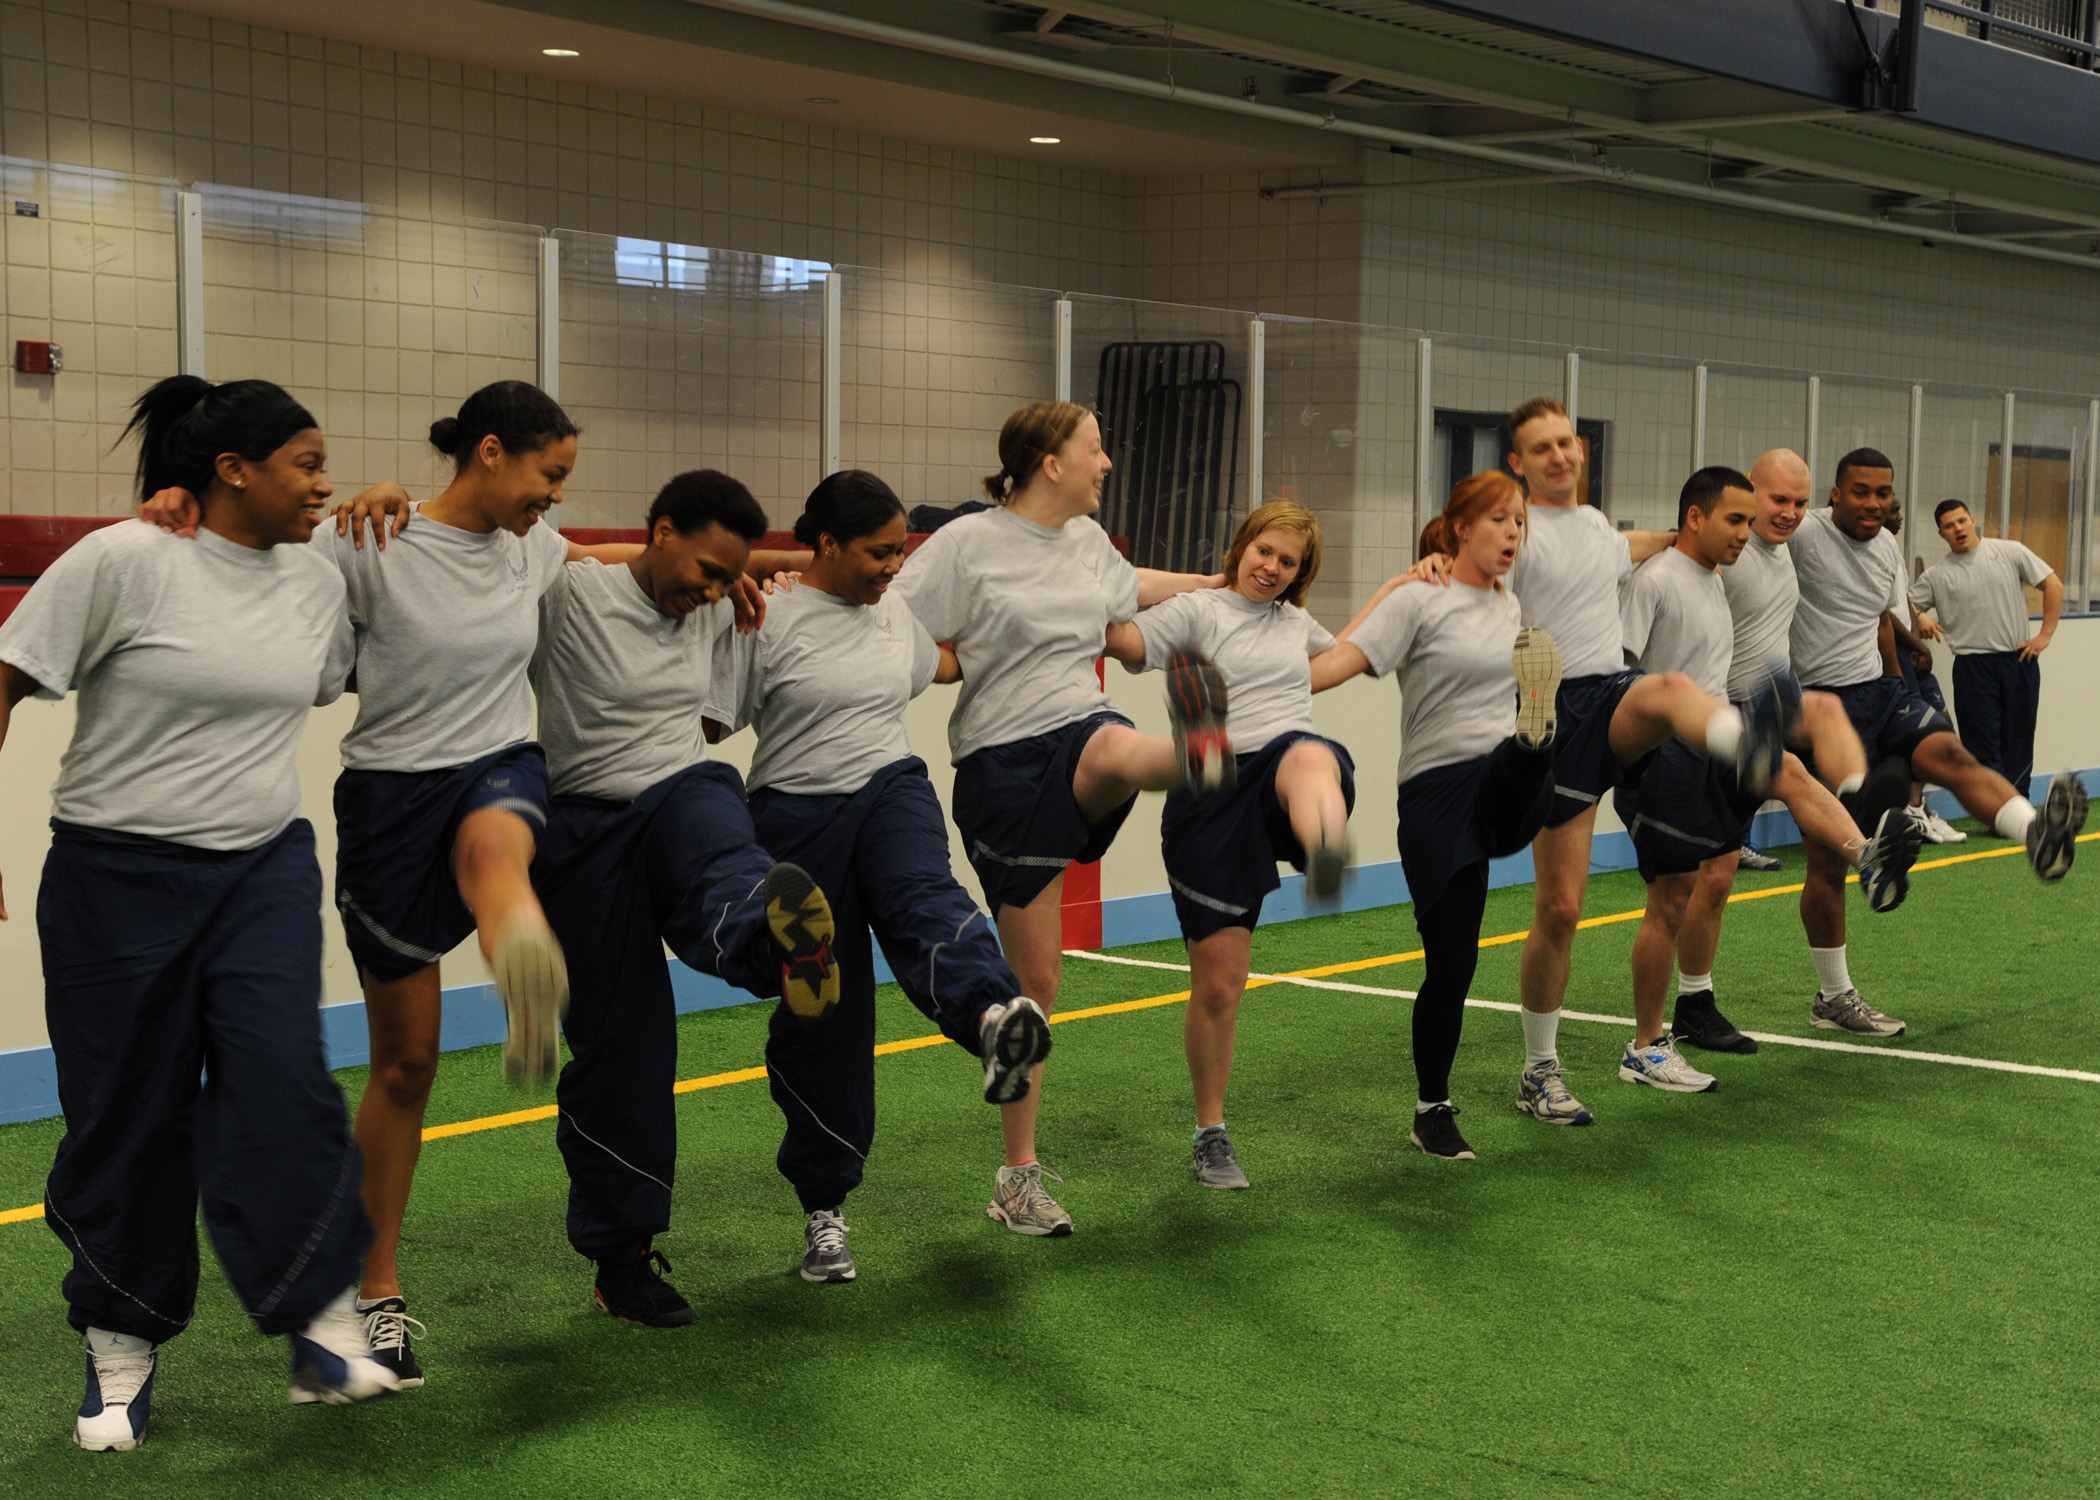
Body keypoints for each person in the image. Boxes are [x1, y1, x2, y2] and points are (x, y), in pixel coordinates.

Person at [0, 377, 399, 1449]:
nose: (324, 485)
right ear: (232, 471)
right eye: (305, 465)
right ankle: (120, 1350)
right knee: (127, 1115)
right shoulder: (124, 559)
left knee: (283, 1075)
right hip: (113, 876)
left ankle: (319, 1323)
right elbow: (7, 678)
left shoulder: (316, 582)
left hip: (260, 866)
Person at [888, 399, 1226, 1236]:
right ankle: (1017, 1177)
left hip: (1078, 732)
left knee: (1112, 748)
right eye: (1096, 450)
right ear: (1050, 463)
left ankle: (1191, 751)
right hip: (1002, 765)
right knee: (1034, 988)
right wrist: (956, 659)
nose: (1106, 464)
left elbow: (1134, 587)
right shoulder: (964, 547)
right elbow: (891, 628)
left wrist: (1217, 589)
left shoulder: (1087, 546)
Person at [1405, 399, 1789, 1127]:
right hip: (1545, 711)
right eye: (1538, 449)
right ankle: (1539, 1070)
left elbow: (1646, 542)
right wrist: (1433, 561)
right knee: (1561, 907)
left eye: (1564, 444)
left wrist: (1714, 529)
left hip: (1604, 698)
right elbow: (1465, 564)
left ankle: (1766, 761)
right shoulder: (1517, 532)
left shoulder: (1601, 533)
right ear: (1516, 463)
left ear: (1579, 450)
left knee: (1669, 695)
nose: (1556, 456)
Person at [707, 471, 1052, 1277]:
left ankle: (993, 1019)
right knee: (822, 1008)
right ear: (823, 544)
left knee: (923, 898)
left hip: (892, 786)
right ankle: (824, 1210)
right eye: (877, 552)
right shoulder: (769, 614)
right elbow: (708, 719)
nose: (894, 566)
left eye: (902, 552)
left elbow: (937, 664)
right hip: (794, 815)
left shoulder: (892, 610)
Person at [526, 468, 845, 1323]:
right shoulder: (571, 594)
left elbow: (714, 705)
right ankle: (620, 1261)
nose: (709, 591)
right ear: (659, 531)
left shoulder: (715, 602)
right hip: (583, 829)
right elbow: (476, 541)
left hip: (677, 792)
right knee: (622, 1050)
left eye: (725, 574)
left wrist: (736, 580)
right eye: (703, 568)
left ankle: (768, 935)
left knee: (719, 825)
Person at [1615, 467, 1920, 1082]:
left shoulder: (1720, 575)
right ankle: (1645, 1046)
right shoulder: (1656, 581)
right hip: (1667, 754)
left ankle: (1867, 854)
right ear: (1699, 517)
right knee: (1671, 898)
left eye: (1792, 506)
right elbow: (1618, 676)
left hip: (1723, 736)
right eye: (1740, 517)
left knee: (1789, 776)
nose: (1753, 529)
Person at [1101, 500, 1359, 1189]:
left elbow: (1343, 657)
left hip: (1277, 772)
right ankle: (1210, 1132)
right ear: (1241, 546)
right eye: (1264, 552)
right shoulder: (1197, 611)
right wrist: (1079, 596)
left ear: (1301, 575)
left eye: (1288, 563)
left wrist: (1402, 591)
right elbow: (1125, 643)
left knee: (1308, 754)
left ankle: (1324, 843)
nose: (1272, 568)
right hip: (1211, 799)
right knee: (1219, 984)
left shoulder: (1295, 624)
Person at [1789, 448, 2087, 1036]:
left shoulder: (1884, 550)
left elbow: (1878, 619)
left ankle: (2035, 832)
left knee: (1951, 754)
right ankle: (1833, 996)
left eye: (1883, 492)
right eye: (1861, 491)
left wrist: (1904, 676)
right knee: (1826, 861)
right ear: (1835, 493)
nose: (1873, 503)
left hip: (1881, 690)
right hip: (1817, 705)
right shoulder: (1802, 534)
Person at [1317, 472, 1560, 1161]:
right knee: (1452, 965)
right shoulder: (1421, 599)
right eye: (1499, 520)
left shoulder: (1511, 610)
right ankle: (1432, 1110)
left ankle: (1535, 737)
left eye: (1520, 523)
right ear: (1461, 528)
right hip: (1436, 794)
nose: (1513, 533)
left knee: (1526, 749)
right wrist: (1391, 588)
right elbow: (1336, 661)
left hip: (1502, 782)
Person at [1910, 499, 2061, 797]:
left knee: (2018, 737)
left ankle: (2019, 806)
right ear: (1941, 534)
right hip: (1972, 667)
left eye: (1962, 521)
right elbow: (1901, 606)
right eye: (1949, 526)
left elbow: (2052, 584)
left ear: (1973, 520)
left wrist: (2045, 635)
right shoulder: (1937, 576)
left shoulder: (2009, 551)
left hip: (2018, 661)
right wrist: (1920, 614)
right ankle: (1999, 810)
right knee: (1981, 743)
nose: (1958, 529)